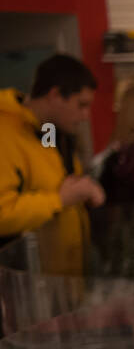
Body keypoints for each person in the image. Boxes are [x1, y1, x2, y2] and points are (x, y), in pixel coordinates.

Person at [0, 54, 104, 277]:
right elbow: (3, 214)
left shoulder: (51, 130)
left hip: (64, 279)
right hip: (24, 285)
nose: (85, 116)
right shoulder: (5, 132)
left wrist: (83, 190)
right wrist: (59, 200)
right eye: (81, 105)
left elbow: (58, 183)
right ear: (55, 95)